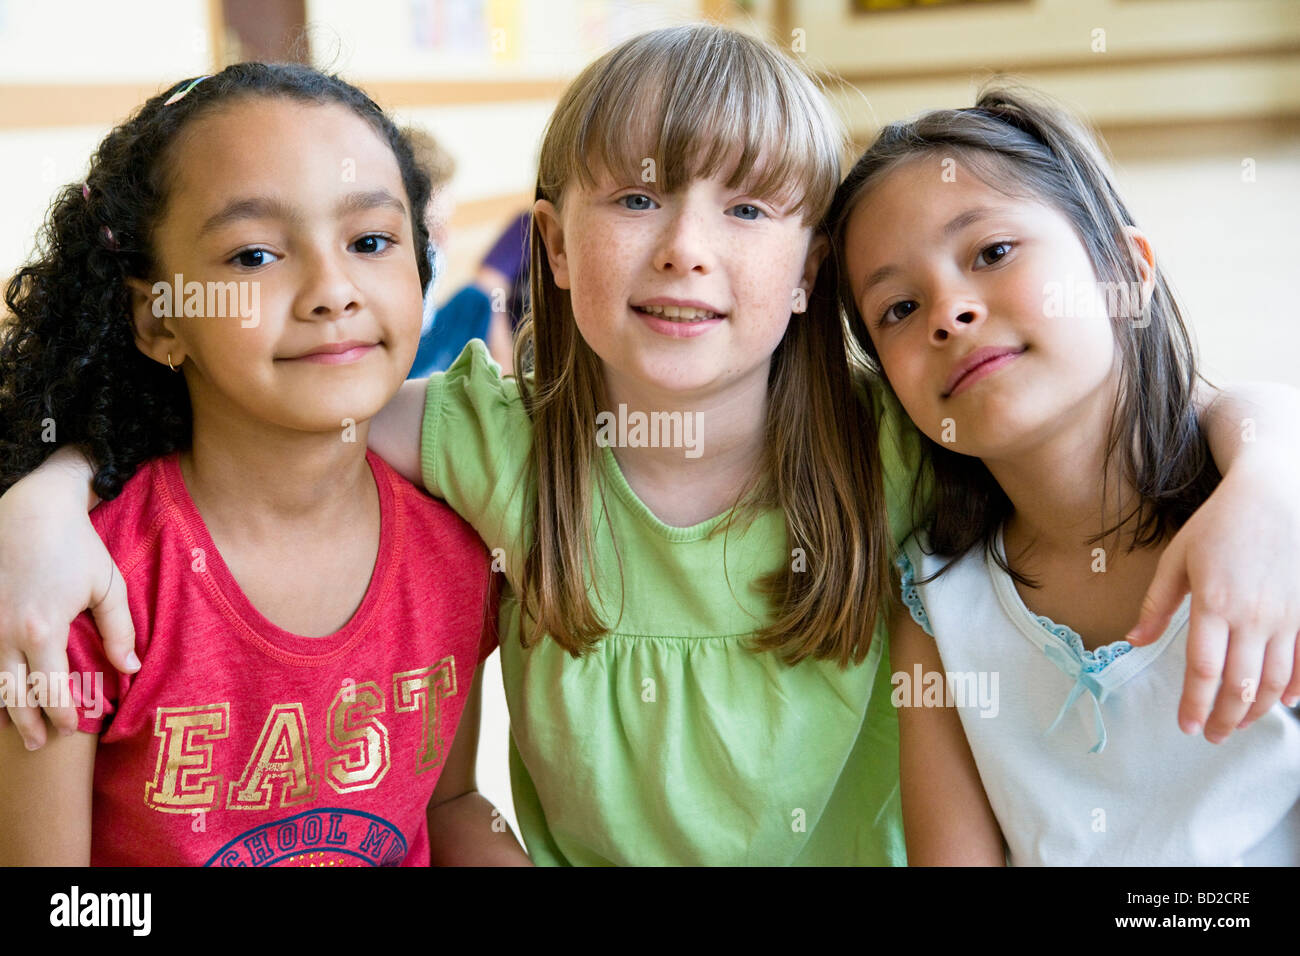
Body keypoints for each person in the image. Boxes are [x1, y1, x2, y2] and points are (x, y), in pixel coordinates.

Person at [3, 27, 1300, 866]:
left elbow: (1129, 403)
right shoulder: (490, 442)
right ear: (558, 249)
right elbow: (254, 408)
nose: (685, 247)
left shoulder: (891, 437)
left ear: (811, 276)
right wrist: (43, 493)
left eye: (745, 208)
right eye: (635, 198)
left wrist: (1267, 477)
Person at [0, 64, 529, 866]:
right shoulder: (76, 596)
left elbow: (451, 804)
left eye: (371, 240)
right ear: (159, 318)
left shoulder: (456, 552)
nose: (332, 289)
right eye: (253, 255)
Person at [828, 87, 1300, 864]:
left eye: (992, 253)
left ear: (1126, 269)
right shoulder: (938, 604)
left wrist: (1270, 481)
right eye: (899, 308)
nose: (949, 312)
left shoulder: (1264, 516)